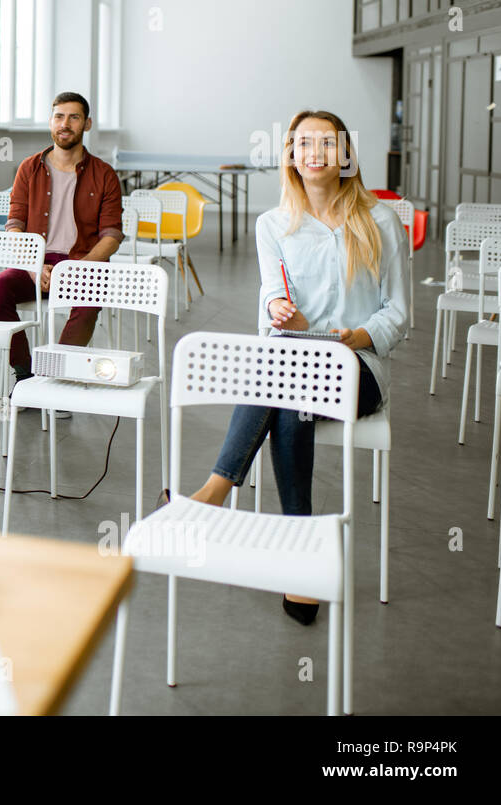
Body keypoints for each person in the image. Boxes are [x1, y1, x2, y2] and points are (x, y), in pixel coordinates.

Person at [177, 109, 408, 625]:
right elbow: (273, 309)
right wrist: (280, 312)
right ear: (292, 156)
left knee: (286, 381)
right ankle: (300, 563)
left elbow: (398, 314)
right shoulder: (273, 225)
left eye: (327, 143)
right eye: (304, 143)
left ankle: (217, 487)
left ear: (345, 153)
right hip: (298, 362)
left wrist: (353, 337)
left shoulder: (382, 220)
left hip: (358, 365)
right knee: (290, 402)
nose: (315, 152)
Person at [0, 91, 123, 386]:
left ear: (87, 124)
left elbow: (111, 235)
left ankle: (57, 377)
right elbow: (14, 225)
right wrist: (33, 266)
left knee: (89, 301)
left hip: (83, 264)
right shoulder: (29, 168)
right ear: (51, 122)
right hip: (38, 263)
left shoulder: (105, 174)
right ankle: (24, 374)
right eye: (59, 116)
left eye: (74, 117)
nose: (65, 124)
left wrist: (77, 268)